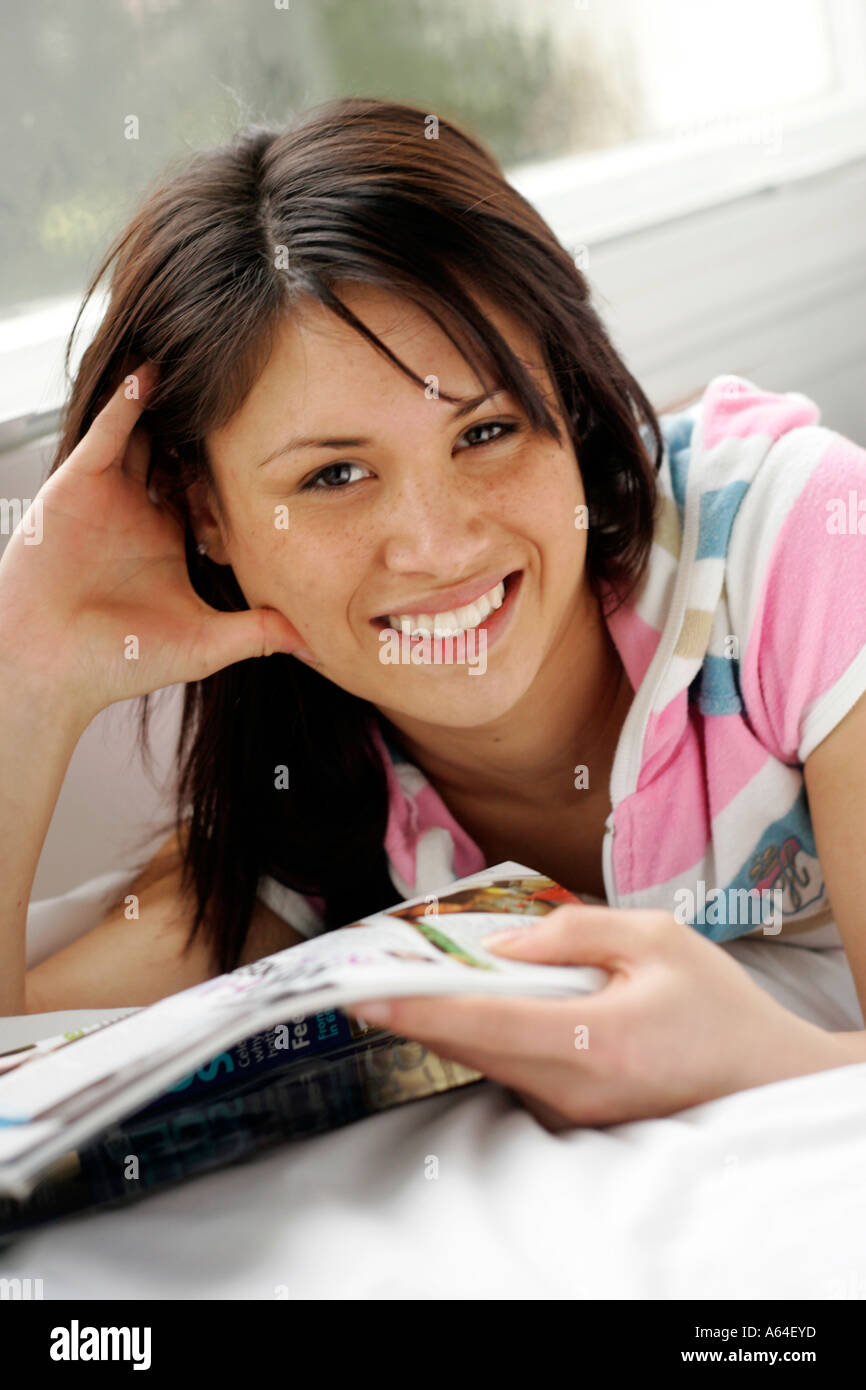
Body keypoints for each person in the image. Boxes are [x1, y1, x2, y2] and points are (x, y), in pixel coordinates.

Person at [3, 97, 865, 1130]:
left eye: (487, 428)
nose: (437, 543)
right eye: (332, 475)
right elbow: (25, 1077)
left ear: (570, 403)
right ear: (208, 513)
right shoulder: (309, 793)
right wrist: (28, 676)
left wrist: (761, 1061)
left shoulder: (798, 543)